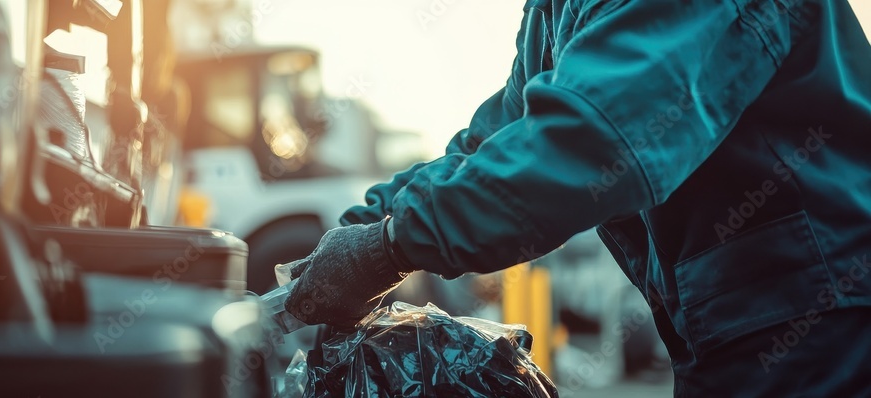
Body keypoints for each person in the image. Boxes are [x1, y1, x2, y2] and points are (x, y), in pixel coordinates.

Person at [283, 0, 871, 395]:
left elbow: (590, 142)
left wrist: (388, 248)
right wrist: (354, 234)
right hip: (728, 325)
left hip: (822, 314)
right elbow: (497, 141)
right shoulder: (557, 10)